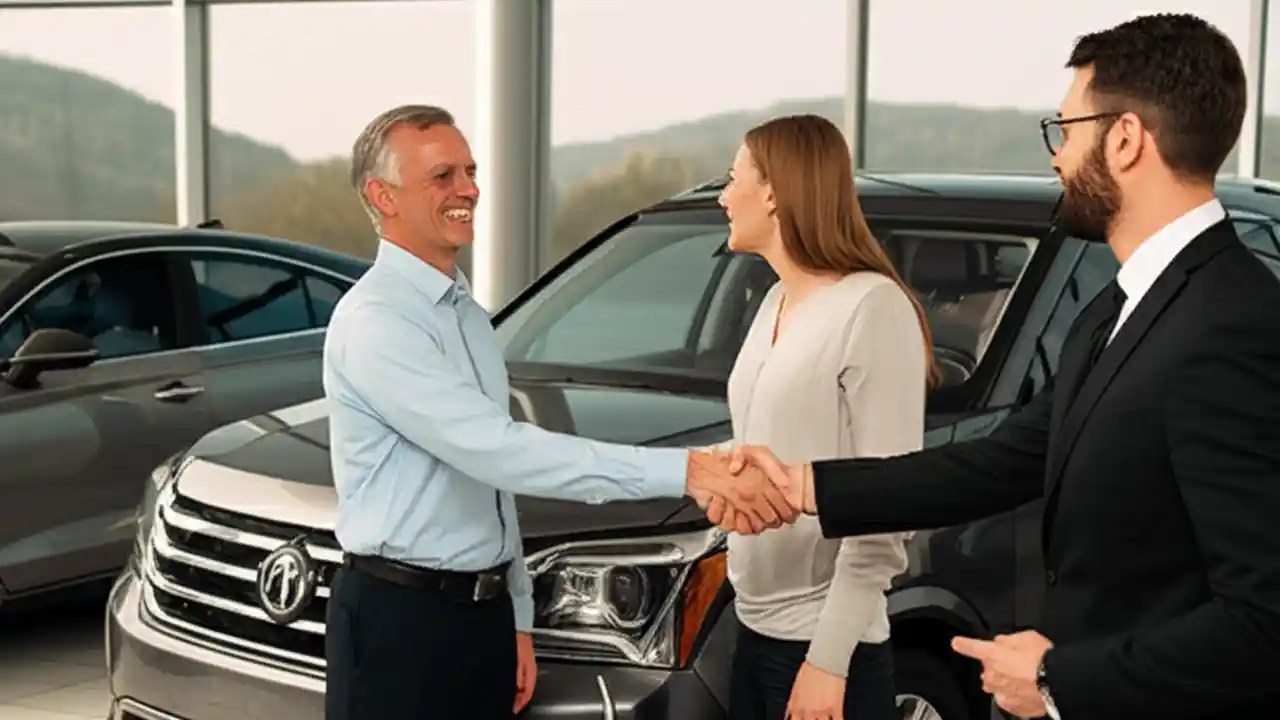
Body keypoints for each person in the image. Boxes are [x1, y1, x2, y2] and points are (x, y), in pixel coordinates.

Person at [716, 13, 1280, 720]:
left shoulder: (1233, 325)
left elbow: (1264, 624)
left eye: (1066, 131)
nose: (1057, 158)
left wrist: (1057, 678)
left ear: (1127, 139)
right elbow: (997, 464)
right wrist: (804, 485)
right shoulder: (1114, 311)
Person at [321, 104, 796, 720]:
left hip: (481, 619)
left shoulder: (465, 314)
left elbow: (491, 490)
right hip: (402, 624)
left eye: (470, 171)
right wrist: (690, 471)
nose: (469, 189)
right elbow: (500, 451)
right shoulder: (377, 322)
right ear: (382, 196)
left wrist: (516, 614)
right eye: (443, 176)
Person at [712, 114, 934, 720]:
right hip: (752, 631)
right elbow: (767, 440)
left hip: (826, 648)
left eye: (733, 178)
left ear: (774, 191)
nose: (723, 197)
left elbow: (888, 507)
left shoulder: (873, 308)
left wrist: (828, 662)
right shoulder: (774, 301)